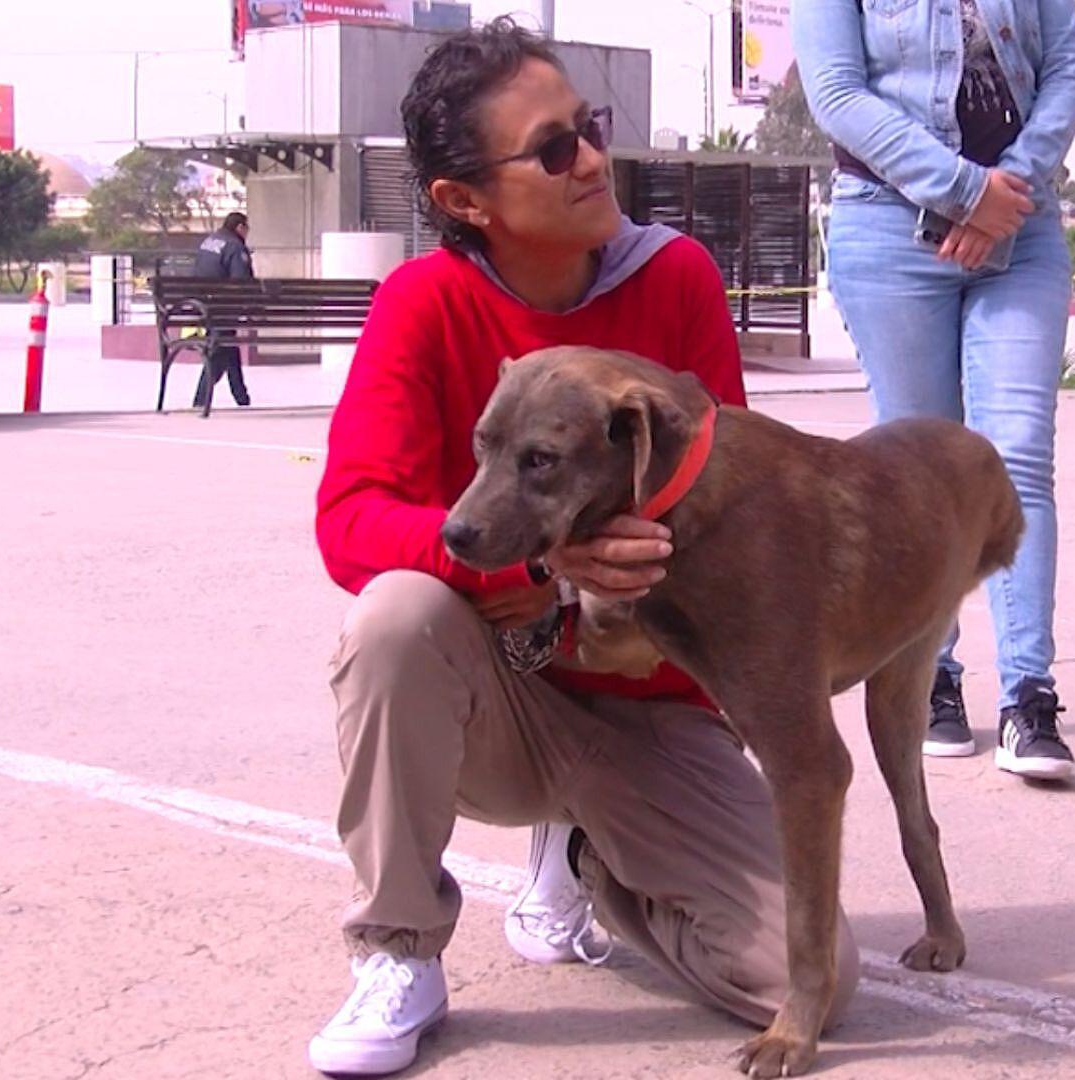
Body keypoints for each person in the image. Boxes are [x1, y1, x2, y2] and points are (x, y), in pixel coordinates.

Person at [308, 19, 858, 1077]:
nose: (593, 160)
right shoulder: (423, 304)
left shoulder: (677, 280)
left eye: (589, 129)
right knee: (392, 618)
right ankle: (398, 948)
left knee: (815, 980)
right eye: (553, 148)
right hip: (506, 692)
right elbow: (348, 519)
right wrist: (535, 568)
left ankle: (597, 864)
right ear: (463, 201)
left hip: (652, 698)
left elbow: (742, 513)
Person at [793, 0, 1075, 782]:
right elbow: (836, 92)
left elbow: (1066, 68)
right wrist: (964, 191)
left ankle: (1029, 695)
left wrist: (1008, 194)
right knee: (918, 467)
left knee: (1018, 453)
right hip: (889, 227)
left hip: (1021, 230)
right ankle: (934, 680)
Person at [193, 210, 254, 409]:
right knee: (220, 350)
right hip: (224, 307)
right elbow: (242, 282)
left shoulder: (209, 241)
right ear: (240, 228)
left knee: (227, 346)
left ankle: (241, 396)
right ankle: (201, 399)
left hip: (203, 305)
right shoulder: (235, 247)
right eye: (247, 228)